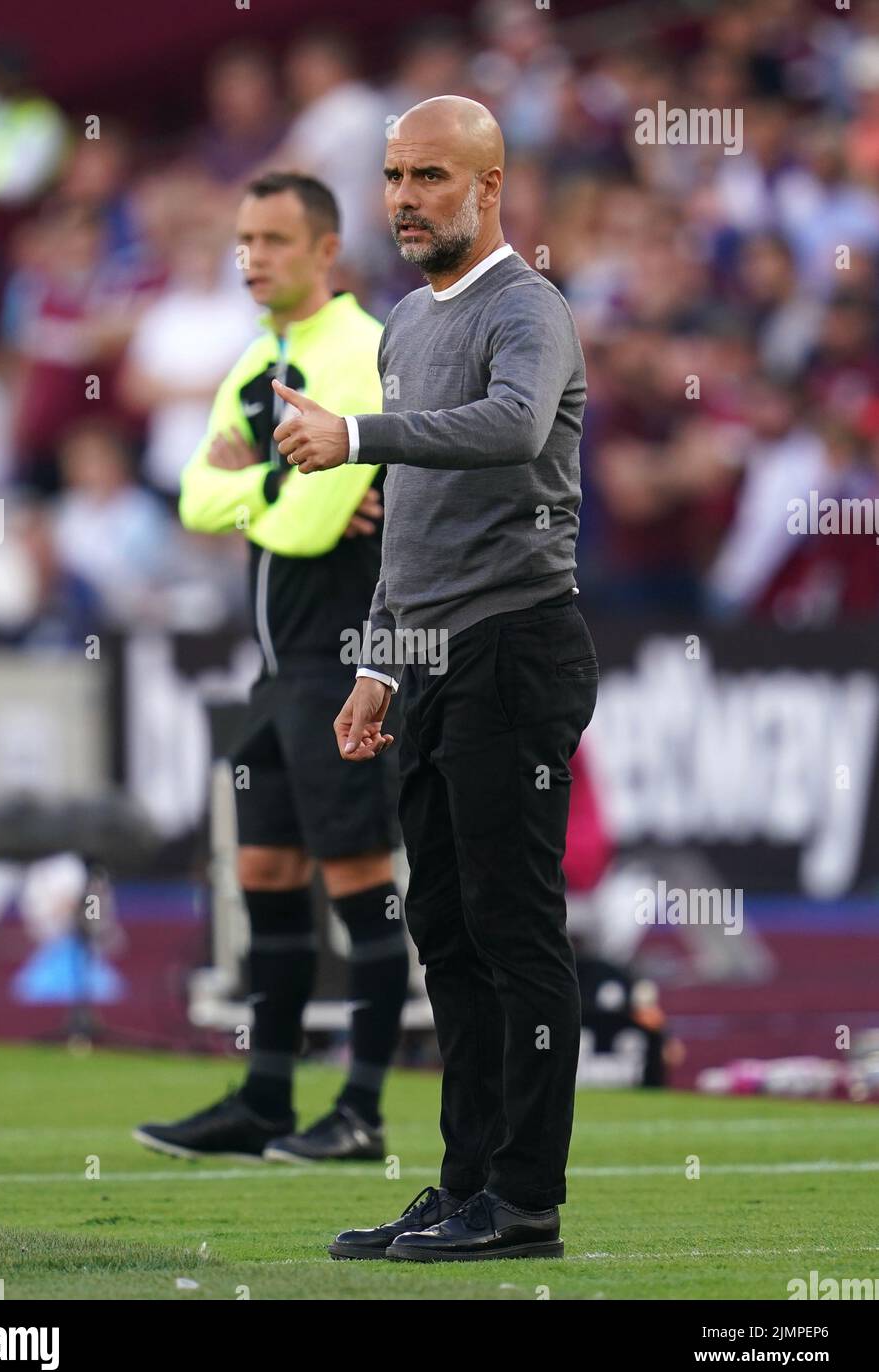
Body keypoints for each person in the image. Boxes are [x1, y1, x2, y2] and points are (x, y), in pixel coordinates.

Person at [270, 97, 598, 1259]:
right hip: (430, 658)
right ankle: (467, 1186)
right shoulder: (408, 322)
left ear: (489, 185)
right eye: (394, 176)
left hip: (514, 646)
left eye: (429, 176)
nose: (403, 198)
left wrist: (356, 435)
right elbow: (412, 521)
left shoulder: (526, 306)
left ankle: (524, 1197)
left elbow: (510, 428)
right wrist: (376, 659)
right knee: (448, 933)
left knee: (512, 925)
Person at [132, 173, 408, 1164]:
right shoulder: (257, 360)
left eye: (275, 240)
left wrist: (246, 487)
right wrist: (272, 483)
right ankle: (265, 1098)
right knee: (262, 870)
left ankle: (362, 1110)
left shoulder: (358, 350)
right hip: (275, 668)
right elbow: (190, 501)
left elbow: (311, 524)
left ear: (326, 249)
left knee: (358, 877)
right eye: (244, 239)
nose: (253, 257)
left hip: (342, 657)